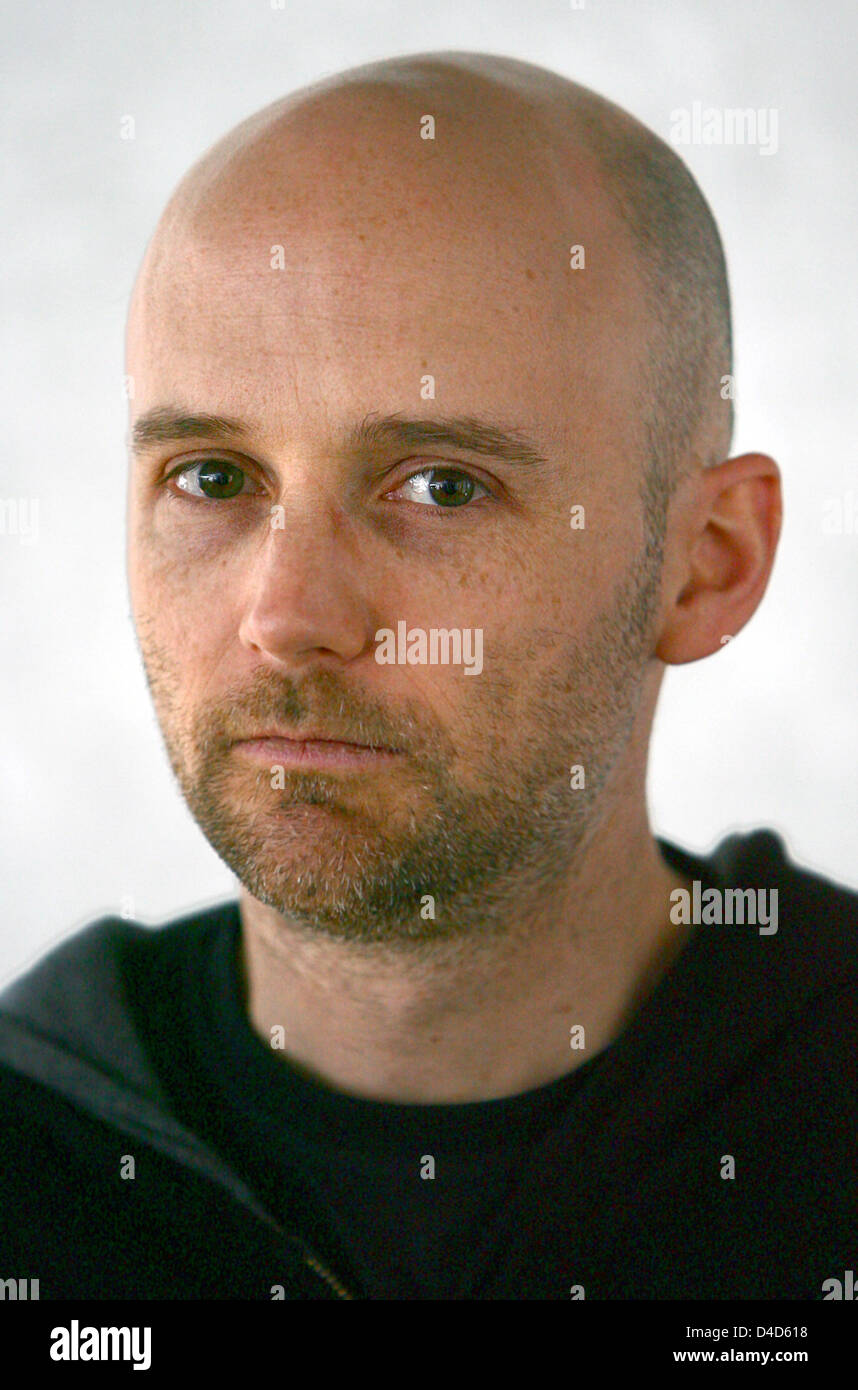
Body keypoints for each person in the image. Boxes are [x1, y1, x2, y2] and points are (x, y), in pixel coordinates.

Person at [0, 51, 854, 1302]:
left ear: (708, 566)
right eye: (213, 477)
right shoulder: (35, 1158)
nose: (287, 618)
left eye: (442, 486)